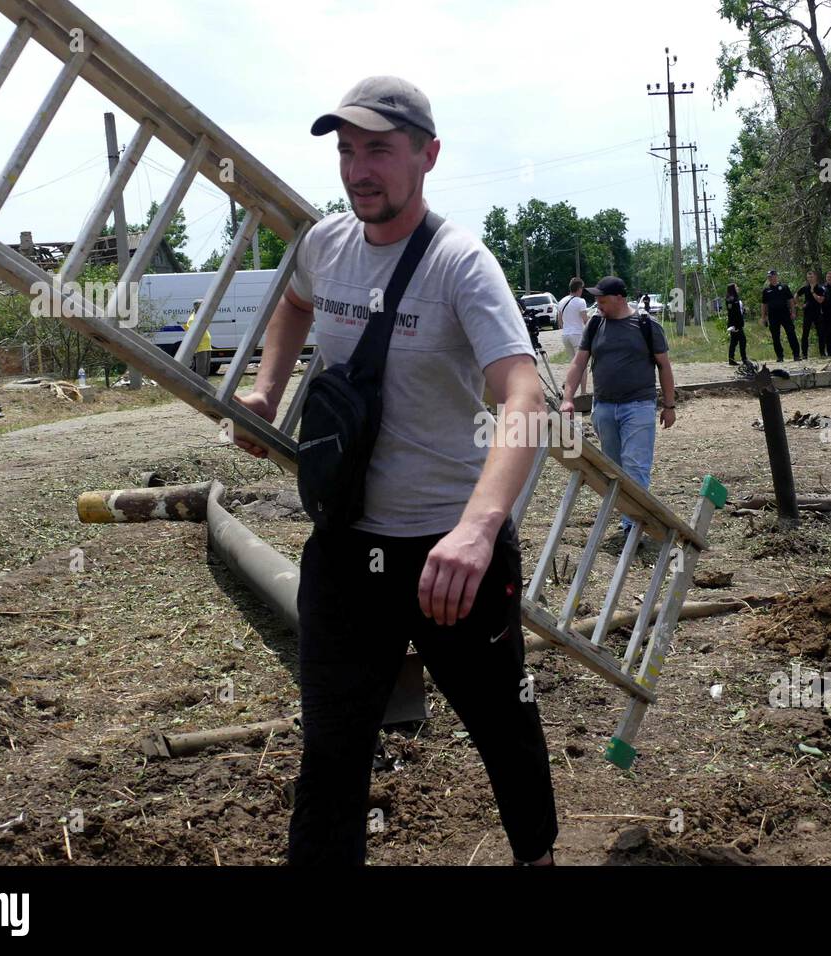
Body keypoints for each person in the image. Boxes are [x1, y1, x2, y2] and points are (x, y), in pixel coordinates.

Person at [232, 76, 558, 867]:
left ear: (428, 155)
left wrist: (480, 529)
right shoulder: (325, 245)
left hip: (451, 556)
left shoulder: (462, 267)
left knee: (500, 724)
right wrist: (269, 384)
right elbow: (294, 306)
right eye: (346, 151)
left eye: (378, 149)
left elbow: (526, 393)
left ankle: (539, 856)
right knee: (332, 750)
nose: (357, 170)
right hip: (345, 547)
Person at [560, 275, 676, 536]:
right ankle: (630, 517)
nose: (597, 303)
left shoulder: (647, 325)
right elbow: (578, 363)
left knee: (635, 465)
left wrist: (669, 406)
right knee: (614, 468)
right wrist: (568, 398)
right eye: (596, 298)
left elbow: (664, 367)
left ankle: (632, 527)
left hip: (639, 406)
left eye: (602, 299)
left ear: (620, 298)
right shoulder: (595, 325)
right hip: (603, 408)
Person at [760, 269, 800, 363]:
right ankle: (780, 356)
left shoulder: (784, 287)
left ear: (776, 276)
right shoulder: (766, 290)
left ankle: (796, 355)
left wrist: (793, 312)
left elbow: (790, 300)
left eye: (772, 276)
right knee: (775, 336)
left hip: (785, 314)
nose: (770, 278)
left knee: (791, 333)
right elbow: (764, 304)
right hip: (773, 316)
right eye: (769, 277)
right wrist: (763, 316)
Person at [558, 277, 589, 393]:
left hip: (565, 336)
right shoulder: (581, 301)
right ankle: (583, 392)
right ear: (579, 288)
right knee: (582, 366)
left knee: (573, 365)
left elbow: (560, 322)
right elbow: (585, 320)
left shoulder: (562, 301)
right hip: (577, 335)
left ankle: (569, 390)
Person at [795, 271, 826, 361]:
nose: (810, 279)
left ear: (815, 277)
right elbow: (796, 295)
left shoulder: (821, 288)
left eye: (811, 277)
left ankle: (822, 353)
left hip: (818, 313)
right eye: (808, 277)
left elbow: (821, 300)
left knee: (821, 333)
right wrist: (800, 305)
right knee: (805, 334)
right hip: (807, 313)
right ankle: (804, 355)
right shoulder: (805, 288)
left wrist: (813, 292)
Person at [183, 298, 213, 377]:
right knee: (201, 369)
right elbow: (192, 335)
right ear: (197, 307)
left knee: (206, 368)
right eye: (202, 306)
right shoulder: (193, 319)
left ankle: (205, 386)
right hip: (200, 346)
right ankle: (200, 386)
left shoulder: (199, 316)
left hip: (206, 345)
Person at [725, 282, 747, 365]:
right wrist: (735, 325)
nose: (737, 288)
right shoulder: (731, 299)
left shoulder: (735, 298)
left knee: (734, 342)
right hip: (736, 325)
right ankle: (744, 359)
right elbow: (733, 313)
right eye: (736, 287)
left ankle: (731, 359)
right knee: (742, 341)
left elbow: (738, 310)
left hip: (736, 324)